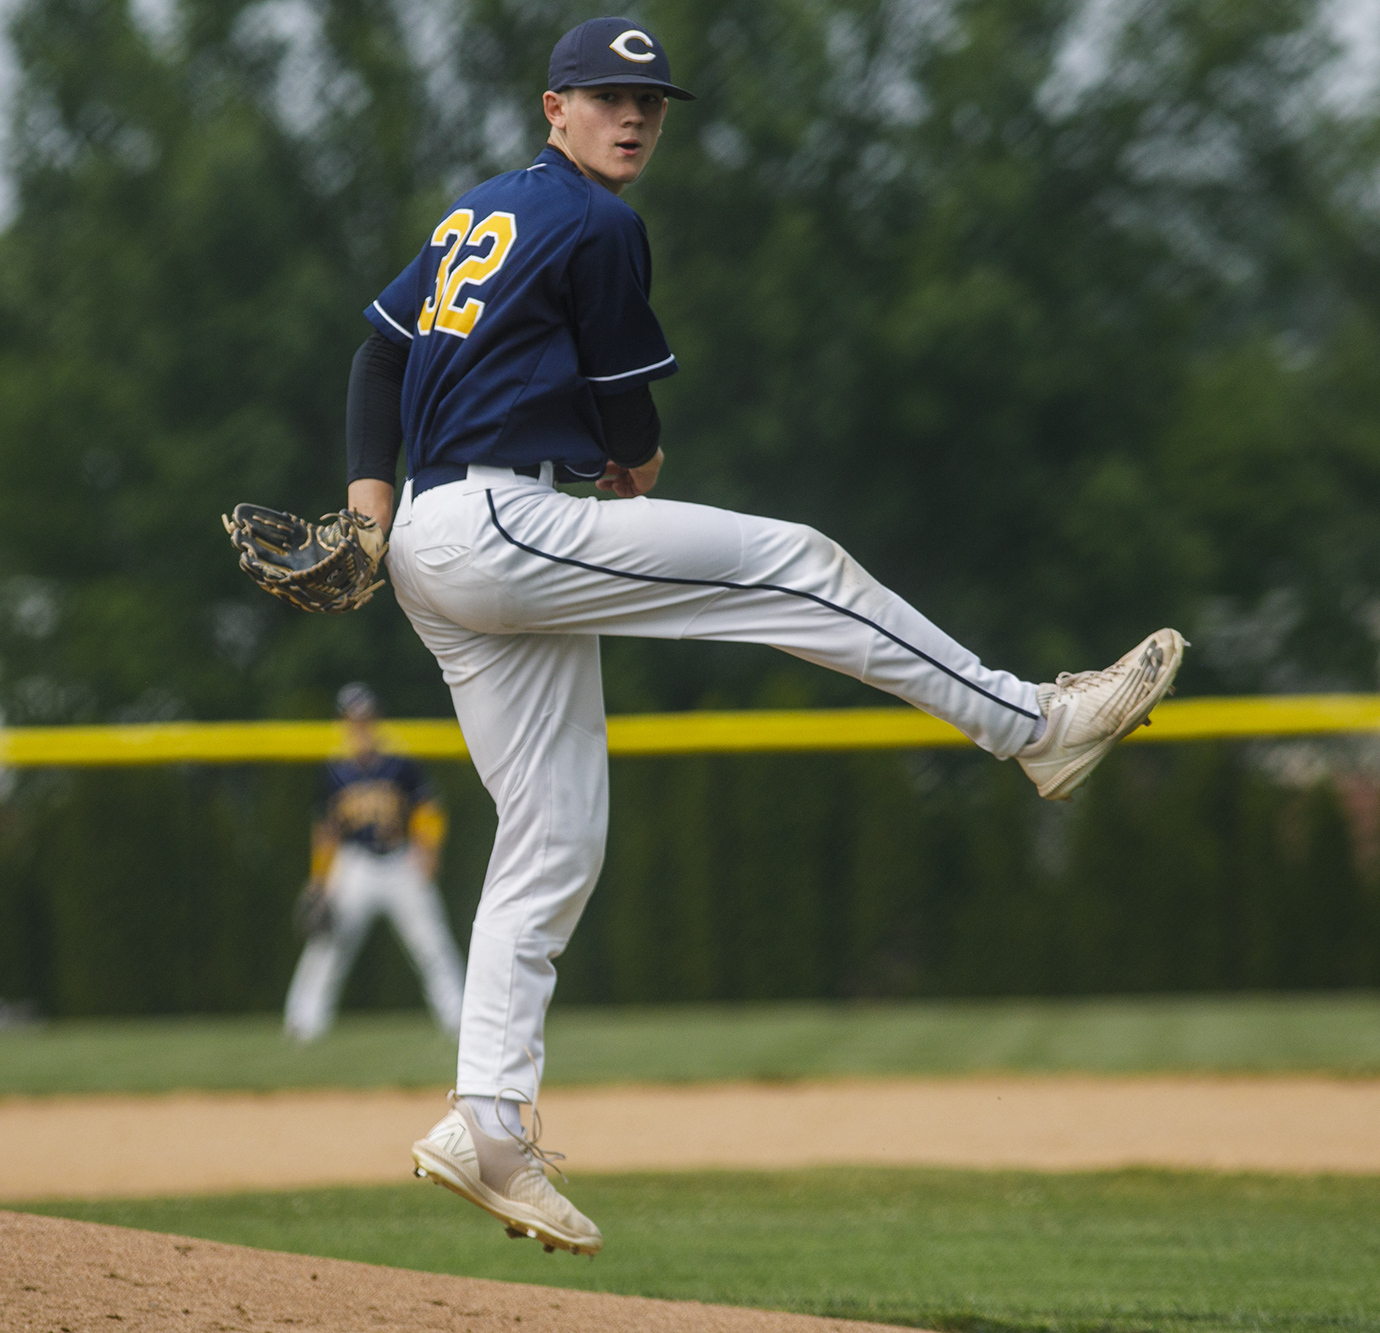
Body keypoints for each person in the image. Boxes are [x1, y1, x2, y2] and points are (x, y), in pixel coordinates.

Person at [340, 17, 1184, 1256]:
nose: (633, 116)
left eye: (650, 102)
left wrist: (368, 519)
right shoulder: (595, 222)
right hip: (500, 521)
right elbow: (625, 417)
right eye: (606, 96)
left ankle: (489, 1126)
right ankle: (1032, 724)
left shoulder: (478, 211)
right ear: (553, 107)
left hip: (437, 539)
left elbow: (379, 352)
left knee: (555, 831)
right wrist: (634, 462)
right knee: (792, 560)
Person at [282, 682, 466, 1043]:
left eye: (365, 717)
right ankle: (304, 1022)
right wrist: (319, 878)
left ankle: (459, 1018)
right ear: (343, 723)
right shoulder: (334, 771)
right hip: (355, 866)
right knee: (328, 947)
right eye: (353, 719)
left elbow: (428, 809)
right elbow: (326, 830)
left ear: (376, 719)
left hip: (401, 861)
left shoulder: (401, 764)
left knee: (433, 944)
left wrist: (428, 850)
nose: (360, 725)